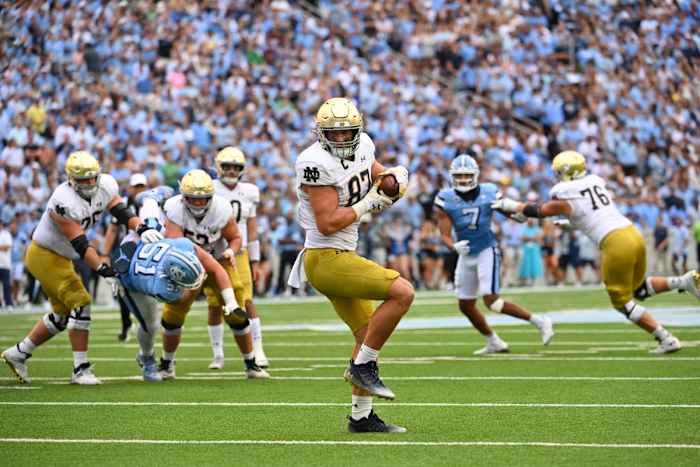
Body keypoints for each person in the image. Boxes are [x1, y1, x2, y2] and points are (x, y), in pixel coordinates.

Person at [287, 97, 414, 433]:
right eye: (334, 133)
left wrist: (394, 177)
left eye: (347, 132)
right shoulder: (314, 162)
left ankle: (361, 417)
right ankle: (362, 368)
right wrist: (370, 203)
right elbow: (328, 223)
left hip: (342, 254)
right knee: (403, 292)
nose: (341, 138)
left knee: (368, 335)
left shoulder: (365, 145)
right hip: (325, 257)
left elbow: (378, 175)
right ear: (321, 133)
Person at [493, 150, 698, 353]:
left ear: (568, 172)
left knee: (622, 302)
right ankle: (683, 281)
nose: (556, 176)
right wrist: (572, 224)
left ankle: (666, 338)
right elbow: (592, 215)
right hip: (632, 233)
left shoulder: (566, 193)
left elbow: (539, 211)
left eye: (559, 172)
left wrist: (511, 204)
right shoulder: (594, 183)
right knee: (639, 289)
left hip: (615, 242)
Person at [1, 151, 162, 384]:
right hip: (44, 255)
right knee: (81, 302)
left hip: (61, 256)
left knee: (61, 316)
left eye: (91, 178)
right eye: (82, 179)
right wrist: (103, 269)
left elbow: (121, 211)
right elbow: (81, 244)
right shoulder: (62, 200)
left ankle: (18, 353)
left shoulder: (106, 184)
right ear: (71, 179)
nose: (88, 183)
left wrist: (142, 228)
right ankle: (80, 369)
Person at [434, 155, 554, 355]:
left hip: (486, 250)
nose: (463, 179)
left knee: (492, 302)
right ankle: (494, 341)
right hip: (466, 253)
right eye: (459, 175)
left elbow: (513, 215)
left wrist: (518, 215)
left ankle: (540, 321)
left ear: (475, 175)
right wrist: (454, 246)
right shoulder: (446, 198)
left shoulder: (489, 192)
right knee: (465, 305)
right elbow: (444, 235)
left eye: (466, 175)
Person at [162, 169, 268, 379]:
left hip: (218, 260)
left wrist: (231, 251)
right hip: (186, 263)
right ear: (183, 197)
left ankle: (251, 363)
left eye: (203, 199)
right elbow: (175, 244)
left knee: (236, 309)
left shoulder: (221, 208)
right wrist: (203, 261)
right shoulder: (174, 208)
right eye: (193, 198)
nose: (198, 203)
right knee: (174, 310)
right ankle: (166, 363)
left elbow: (235, 238)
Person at [113, 236, 244, 382]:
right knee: (150, 325)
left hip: (140, 251)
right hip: (128, 279)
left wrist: (231, 301)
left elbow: (217, 269)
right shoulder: (164, 288)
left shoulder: (184, 245)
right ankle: (147, 357)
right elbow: (182, 300)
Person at [210, 147, 269, 369]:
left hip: (240, 252)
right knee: (214, 304)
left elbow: (252, 228)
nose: (232, 171)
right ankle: (218, 354)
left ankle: (258, 349)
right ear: (219, 167)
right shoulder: (210, 188)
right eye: (227, 166)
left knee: (247, 301)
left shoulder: (250, 191)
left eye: (236, 167)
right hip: (214, 252)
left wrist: (255, 262)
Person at [103, 173, 149, 342]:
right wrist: (105, 254)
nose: (139, 190)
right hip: (126, 252)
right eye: (136, 187)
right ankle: (126, 324)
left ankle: (154, 322)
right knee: (123, 289)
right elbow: (113, 229)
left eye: (142, 187)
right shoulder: (122, 204)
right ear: (130, 188)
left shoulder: (151, 203)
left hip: (146, 251)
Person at [0, 221, 13, 310]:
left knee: (6, 285)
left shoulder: (6, 234)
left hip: (4, 264)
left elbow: (7, 247)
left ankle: (9, 303)